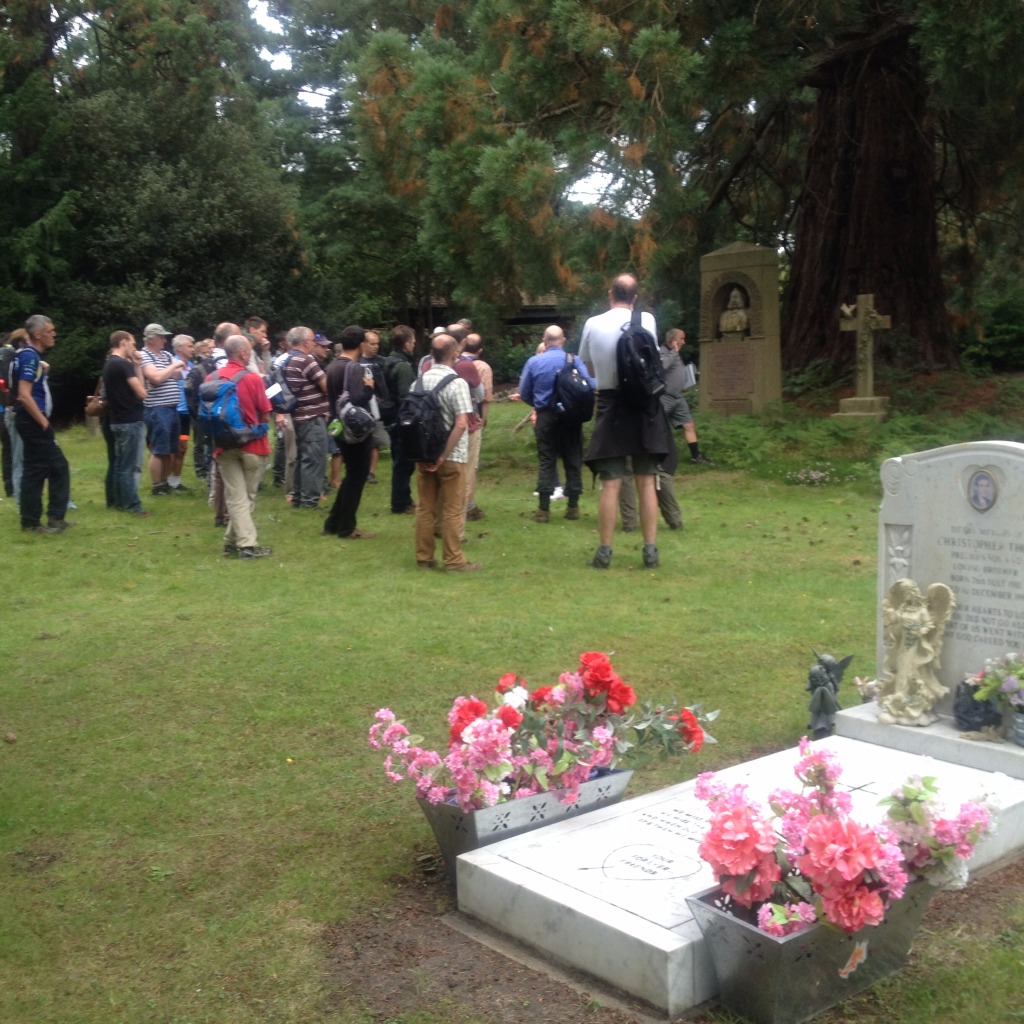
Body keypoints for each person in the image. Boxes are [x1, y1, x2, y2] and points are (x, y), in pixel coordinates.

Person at [579, 273, 671, 569]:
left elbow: (588, 366)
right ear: (635, 297)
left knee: (611, 484)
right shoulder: (647, 321)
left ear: (610, 294)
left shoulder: (592, 324)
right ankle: (650, 551)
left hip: (610, 405)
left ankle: (604, 553)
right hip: (644, 406)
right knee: (647, 482)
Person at [414, 333, 480, 571]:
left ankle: (424, 557)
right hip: (452, 456)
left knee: (425, 507)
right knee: (452, 509)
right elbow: (461, 423)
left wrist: (428, 454)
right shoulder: (457, 383)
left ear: (432, 354)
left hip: (423, 454)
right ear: (454, 355)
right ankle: (454, 560)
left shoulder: (418, 382)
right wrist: (443, 454)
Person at [518, 325, 593, 522]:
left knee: (546, 459)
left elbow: (524, 391)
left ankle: (543, 509)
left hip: (545, 416)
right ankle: (573, 507)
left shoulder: (534, 362)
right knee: (573, 457)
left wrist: (538, 404)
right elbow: (589, 385)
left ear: (544, 340)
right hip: (571, 416)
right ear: (563, 340)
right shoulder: (574, 360)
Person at [209, 334, 273, 558]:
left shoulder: (211, 377)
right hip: (252, 446)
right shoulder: (253, 379)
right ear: (243, 353)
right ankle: (247, 546)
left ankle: (230, 544)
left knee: (236, 497)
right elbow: (265, 413)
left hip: (223, 446)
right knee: (246, 498)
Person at [12, 314, 71, 533]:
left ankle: (52, 518)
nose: (54, 334)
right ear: (38, 335)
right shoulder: (30, 357)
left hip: (29, 420)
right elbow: (24, 395)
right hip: (32, 420)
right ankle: (32, 522)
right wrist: (43, 422)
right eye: (50, 331)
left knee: (55, 467)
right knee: (38, 470)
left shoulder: (26, 355)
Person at [323, 325, 376, 539]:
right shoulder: (354, 368)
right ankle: (347, 527)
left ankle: (333, 522)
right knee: (357, 476)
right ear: (361, 344)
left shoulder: (333, 365)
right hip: (354, 429)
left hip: (338, 425)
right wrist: (369, 387)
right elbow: (357, 399)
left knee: (351, 475)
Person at [102, 330, 149, 516]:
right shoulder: (123, 364)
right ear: (123, 342)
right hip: (131, 420)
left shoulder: (109, 364)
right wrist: (135, 367)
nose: (135, 348)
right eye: (133, 343)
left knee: (119, 465)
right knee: (129, 467)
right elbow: (142, 392)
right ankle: (132, 505)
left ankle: (118, 502)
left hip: (116, 420)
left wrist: (136, 365)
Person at [282, 325, 329, 510]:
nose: (315, 344)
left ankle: (299, 498)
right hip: (312, 416)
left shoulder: (288, 359)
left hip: (298, 415)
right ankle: (310, 501)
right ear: (305, 342)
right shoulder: (306, 360)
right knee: (314, 459)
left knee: (303, 458)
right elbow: (326, 386)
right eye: (313, 340)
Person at [139, 323, 186, 495]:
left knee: (170, 449)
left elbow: (180, 374)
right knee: (159, 449)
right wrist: (172, 367)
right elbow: (156, 378)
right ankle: (157, 485)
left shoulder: (165, 355)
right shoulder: (144, 355)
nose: (165, 340)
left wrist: (168, 371)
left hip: (172, 408)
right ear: (151, 339)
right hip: (157, 408)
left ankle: (165, 483)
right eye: (161, 337)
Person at [383, 325, 417, 514]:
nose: (414, 345)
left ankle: (405, 498)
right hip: (401, 419)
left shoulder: (387, 361)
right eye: (412, 341)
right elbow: (406, 397)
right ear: (405, 344)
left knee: (400, 459)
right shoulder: (403, 367)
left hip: (390, 417)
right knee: (403, 462)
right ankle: (400, 503)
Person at [462, 333, 492, 521]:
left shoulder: (452, 361)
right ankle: (469, 505)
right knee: (471, 465)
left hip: (451, 420)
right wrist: (483, 420)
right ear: (480, 350)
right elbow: (486, 398)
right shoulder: (482, 367)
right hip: (472, 418)